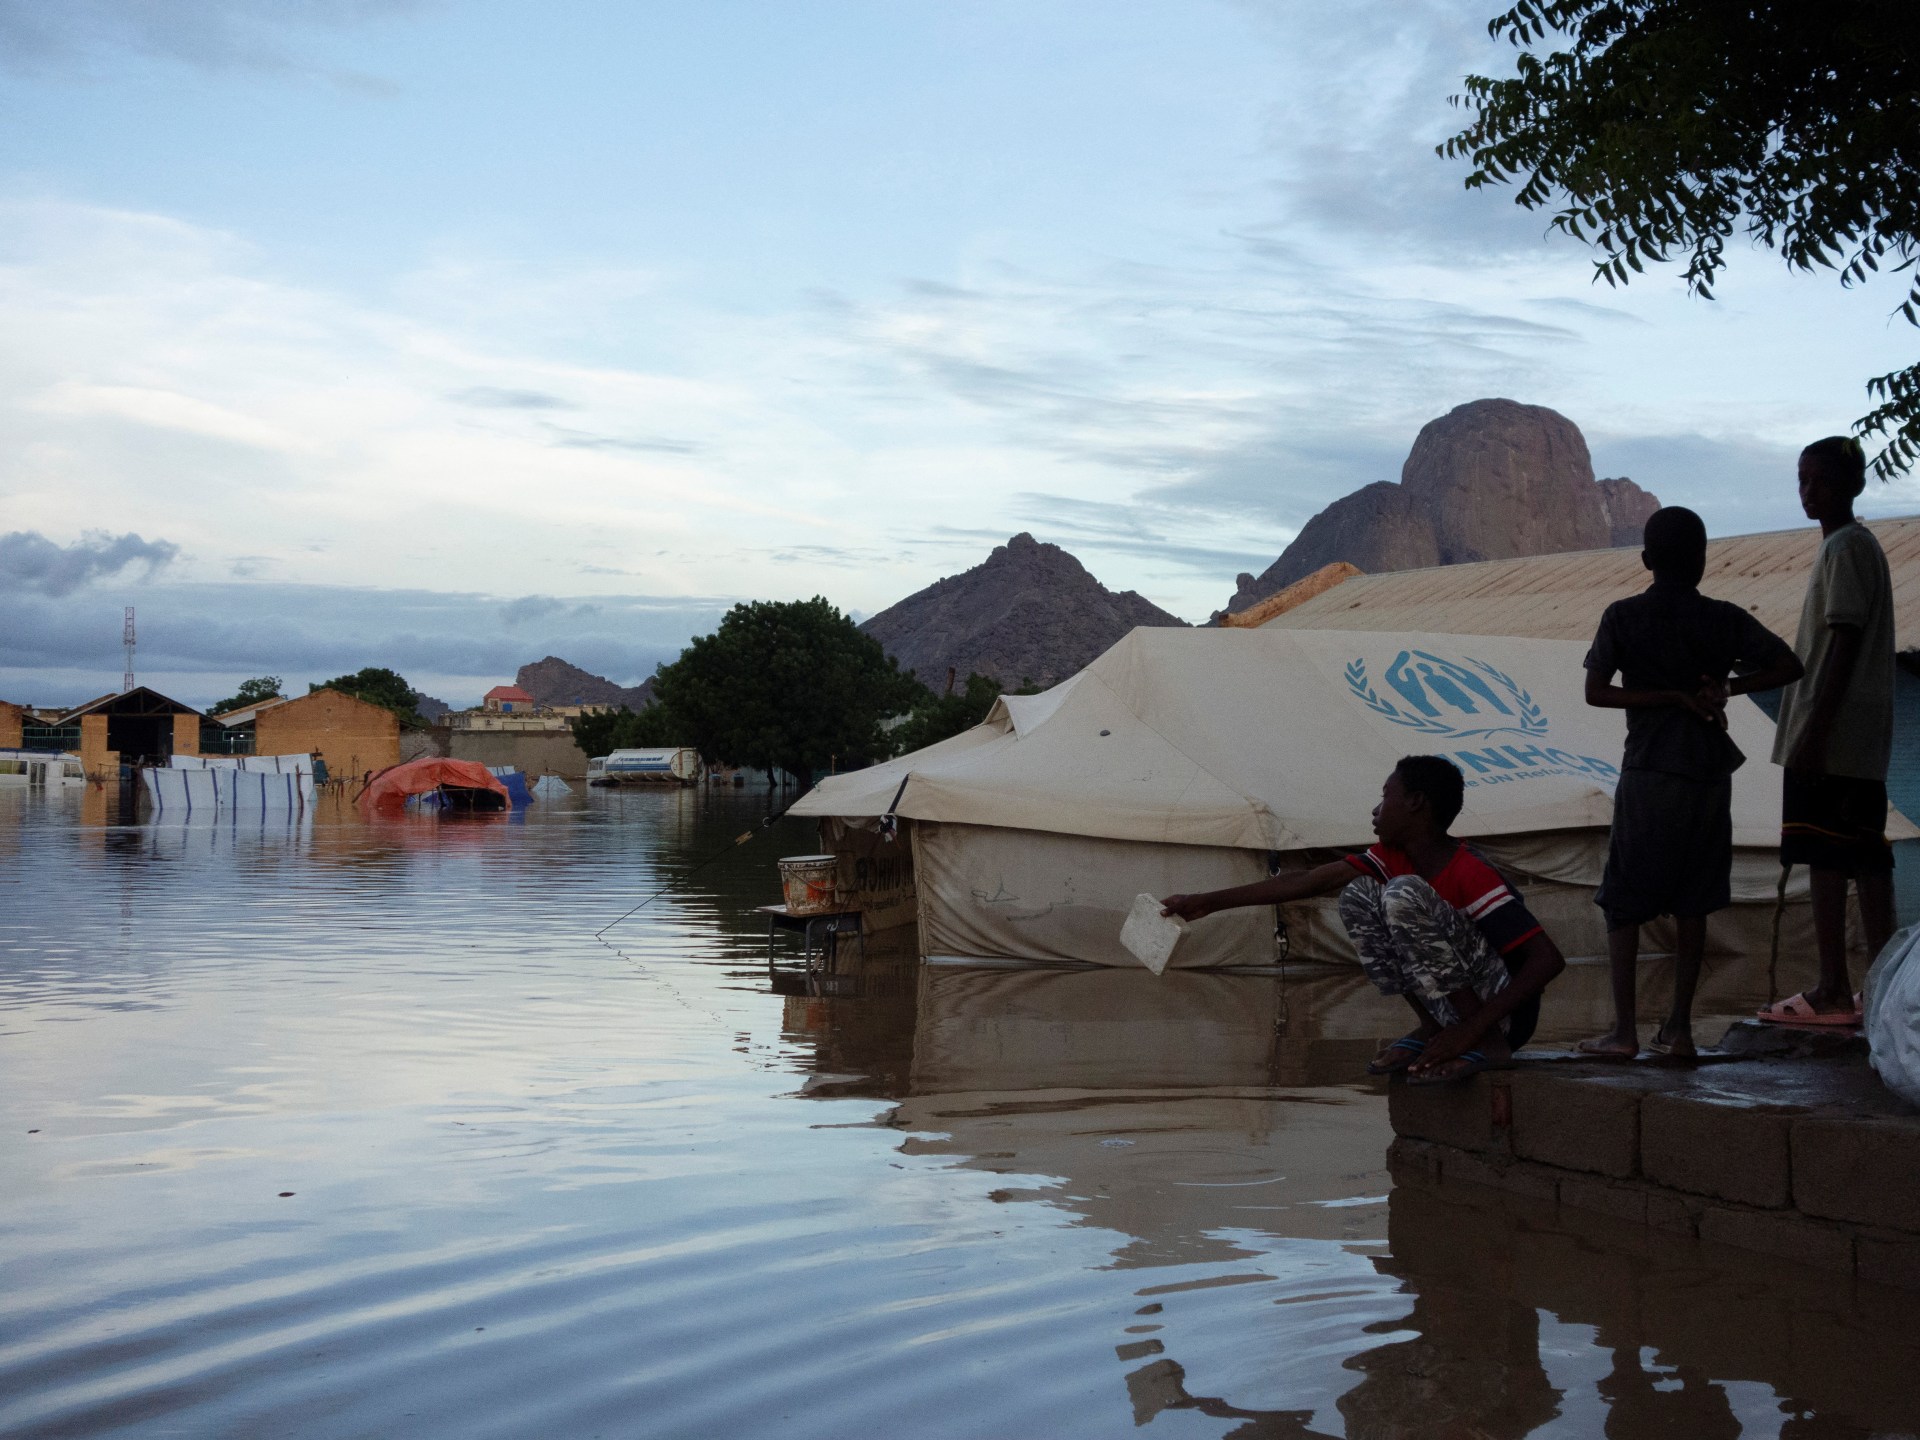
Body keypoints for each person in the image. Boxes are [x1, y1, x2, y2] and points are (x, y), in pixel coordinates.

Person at [1161, 755, 1565, 1083]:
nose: (1375, 810)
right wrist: (1207, 902)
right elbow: (1310, 880)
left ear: (1415, 803)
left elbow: (1547, 960)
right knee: (1359, 895)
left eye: (1385, 796)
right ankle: (1432, 1024)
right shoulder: (1393, 858)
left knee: (1402, 893)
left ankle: (1486, 1043)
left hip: (1501, 1016)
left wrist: (1473, 1028)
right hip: (1459, 1013)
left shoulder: (1469, 871)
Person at [1577, 506, 1803, 1059]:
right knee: (1695, 899)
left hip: (1650, 769)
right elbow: (1789, 666)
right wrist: (1724, 687)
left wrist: (1662, 697)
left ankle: (1624, 1031)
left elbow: (1596, 692)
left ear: (1647, 560)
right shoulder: (1723, 619)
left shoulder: (1623, 616)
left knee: (1625, 899)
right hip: (1706, 772)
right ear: (1702, 561)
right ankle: (1678, 1029)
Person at [1761, 435, 1897, 1023]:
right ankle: (1885, 988)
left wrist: (1814, 729)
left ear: (1853, 486)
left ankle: (1833, 988)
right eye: (1802, 479)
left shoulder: (1846, 547)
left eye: (1821, 480)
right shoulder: (1850, 546)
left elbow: (1842, 640)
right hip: (1853, 739)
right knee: (1865, 857)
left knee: (1826, 857)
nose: (1809, 491)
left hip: (1832, 734)